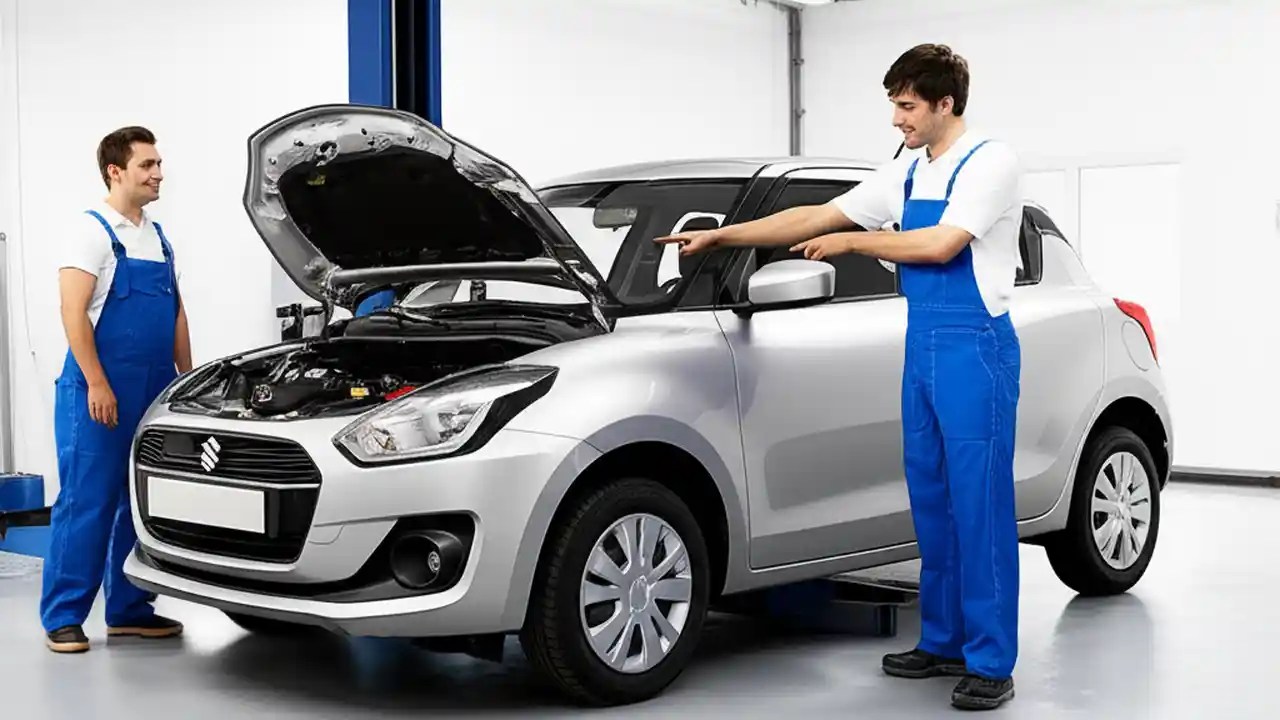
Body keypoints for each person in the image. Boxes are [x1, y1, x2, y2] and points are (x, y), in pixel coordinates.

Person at [656, 44, 1023, 711]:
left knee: (980, 506)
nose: (896, 119)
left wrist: (857, 243)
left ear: (945, 103)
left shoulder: (990, 161)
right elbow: (818, 216)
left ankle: (991, 658)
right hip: (923, 346)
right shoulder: (908, 169)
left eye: (907, 105)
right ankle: (941, 641)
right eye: (894, 104)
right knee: (932, 502)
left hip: (976, 349)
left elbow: (939, 244)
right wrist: (725, 236)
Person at [41, 126, 190, 653]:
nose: (158, 173)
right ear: (116, 171)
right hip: (97, 390)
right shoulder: (91, 231)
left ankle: (129, 609)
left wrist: (185, 379)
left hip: (152, 388)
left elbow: (175, 311)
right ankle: (63, 616)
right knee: (88, 501)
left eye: (158, 164)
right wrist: (99, 383)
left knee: (137, 501)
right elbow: (72, 310)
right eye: (147, 164)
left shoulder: (157, 235)